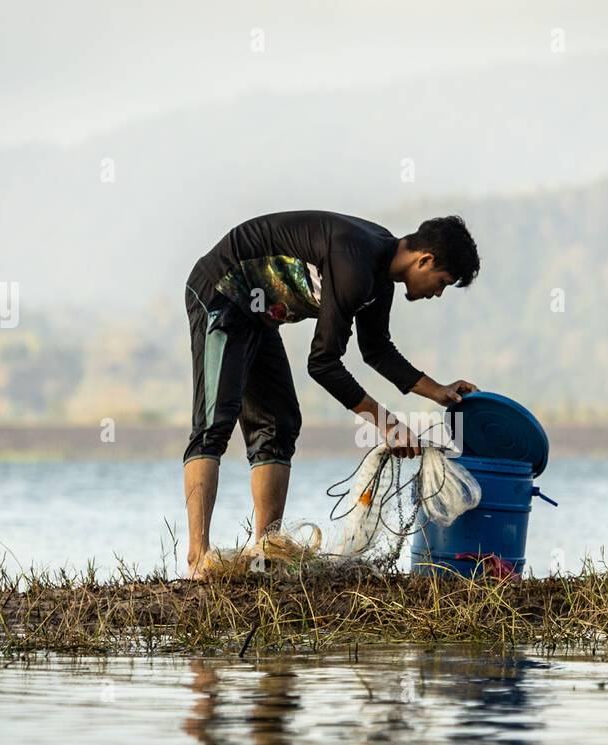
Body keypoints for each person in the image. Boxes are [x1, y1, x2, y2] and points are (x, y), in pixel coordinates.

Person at [182, 210, 482, 579]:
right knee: (215, 422)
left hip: (259, 315)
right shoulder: (355, 264)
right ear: (425, 260)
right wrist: (388, 425)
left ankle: (264, 554)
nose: (437, 293)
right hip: (222, 288)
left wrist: (438, 391)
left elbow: (377, 350)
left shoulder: (379, 277)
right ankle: (198, 559)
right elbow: (322, 364)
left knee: (278, 425)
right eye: (442, 283)